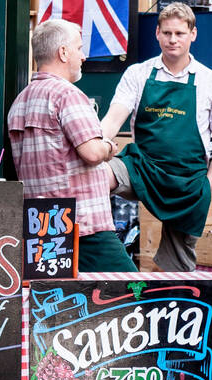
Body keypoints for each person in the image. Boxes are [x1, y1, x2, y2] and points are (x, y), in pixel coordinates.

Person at [101, 2, 212, 271]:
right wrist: (96, 144)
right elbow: (114, 118)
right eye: (167, 33)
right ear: (157, 33)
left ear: (193, 34)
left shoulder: (211, 81)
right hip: (141, 168)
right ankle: (105, 253)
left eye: (180, 34)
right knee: (95, 176)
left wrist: (206, 186)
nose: (173, 40)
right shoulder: (137, 74)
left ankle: (175, 305)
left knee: (177, 269)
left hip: (187, 182)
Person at [8, 19, 136, 272]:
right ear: (63, 52)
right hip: (84, 227)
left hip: (41, 230)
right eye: (79, 48)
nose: (84, 56)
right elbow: (91, 152)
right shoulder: (68, 95)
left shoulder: (20, 102)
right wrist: (109, 146)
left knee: (57, 304)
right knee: (137, 295)